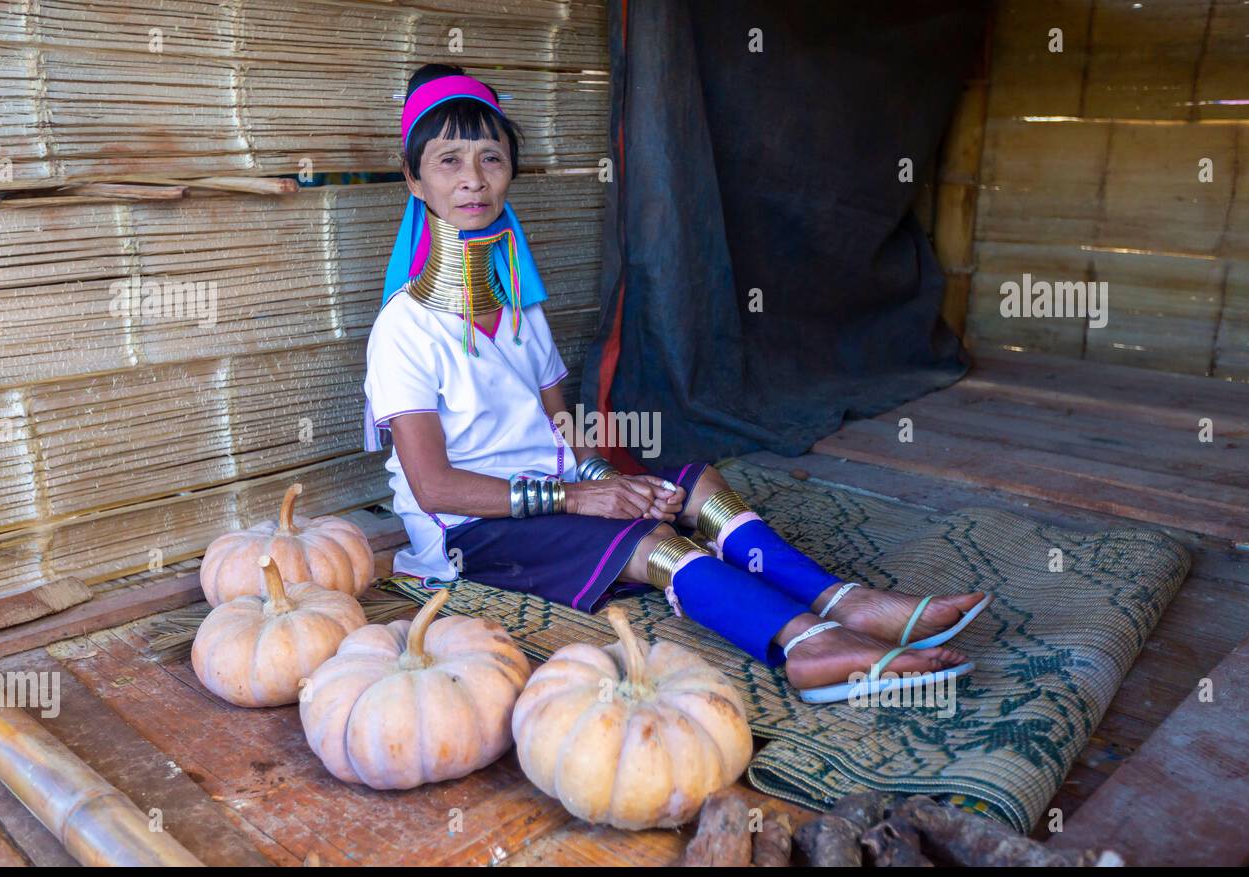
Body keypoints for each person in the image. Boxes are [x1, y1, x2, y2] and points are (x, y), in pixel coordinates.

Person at [363, 64, 989, 702]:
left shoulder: (520, 307)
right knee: (654, 542)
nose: (473, 178)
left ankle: (843, 602)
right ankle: (807, 646)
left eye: (490, 156)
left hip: (552, 491)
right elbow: (434, 486)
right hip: (468, 533)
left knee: (696, 485)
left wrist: (608, 481)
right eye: (447, 161)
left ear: (510, 172)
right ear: (414, 179)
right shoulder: (405, 329)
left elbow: (561, 430)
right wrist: (578, 502)